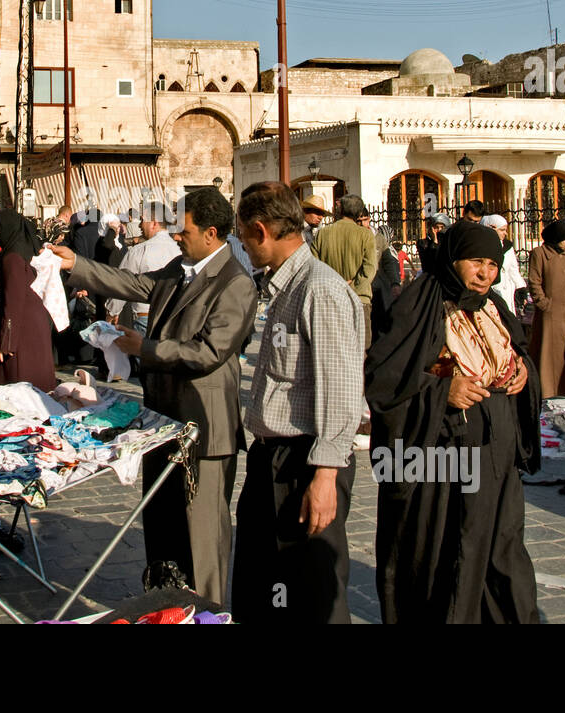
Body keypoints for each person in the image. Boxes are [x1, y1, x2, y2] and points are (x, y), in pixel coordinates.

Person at [49, 187, 258, 606]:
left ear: (212, 233)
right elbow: (134, 283)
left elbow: (209, 352)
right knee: (162, 528)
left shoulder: (235, 283)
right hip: (162, 421)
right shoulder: (181, 267)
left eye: (185, 230)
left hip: (205, 428)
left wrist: (143, 348)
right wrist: (77, 265)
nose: (176, 237)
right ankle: (165, 606)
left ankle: (208, 613)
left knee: (202, 536)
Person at [364, 219, 541, 623]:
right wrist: (443, 391)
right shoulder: (418, 303)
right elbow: (384, 379)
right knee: (449, 555)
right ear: (453, 259)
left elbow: (519, 352)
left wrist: (525, 372)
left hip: (497, 458)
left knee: (501, 551)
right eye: (476, 262)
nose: (485, 273)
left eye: (493, 265)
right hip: (443, 462)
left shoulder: (493, 305)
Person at [231, 181, 364, 624]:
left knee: (310, 593)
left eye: (245, 238)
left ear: (261, 231)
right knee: (265, 587)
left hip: (305, 464)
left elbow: (342, 390)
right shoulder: (282, 287)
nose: (244, 248)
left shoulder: (318, 289)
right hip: (272, 460)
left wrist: (325, 477)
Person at [0, 209, 57, 390]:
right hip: (34, 323)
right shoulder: (24, 252)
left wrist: (7, 341)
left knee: (21, 384)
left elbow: (13, 302)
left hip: (22, 328)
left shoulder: (12, 258)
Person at [526, 219, 565, 398]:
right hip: (550, 312)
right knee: (549, 353)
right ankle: (548, 393)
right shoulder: (539, 253)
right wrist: (544, 304)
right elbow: (534, 282)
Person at [106, 203, 181, 335]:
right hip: (173, 320)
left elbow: (122, 284)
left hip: (145, 317)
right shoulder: (179, 250)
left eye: (142, 220)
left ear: (154, 223)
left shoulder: (139, 251)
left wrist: (112, 312)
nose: (140, 225)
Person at [311, 194, 377, 330]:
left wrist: (336, 287)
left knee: (331, 346)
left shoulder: (322, 234)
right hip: (359, 299)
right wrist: (350, 287)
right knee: (360, 347)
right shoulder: (366, 235)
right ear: (359, 213)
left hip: (330, 299)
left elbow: (313, 267)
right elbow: (369, 269)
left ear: (340, 211)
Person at [482, 214, 526, 315]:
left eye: (505, 230)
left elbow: (513, 270)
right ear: (491, 228)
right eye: (502, 230)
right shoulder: (482, 246)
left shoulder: (507, 247)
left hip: (505, 292)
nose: (505, 233)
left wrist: (520, 288)